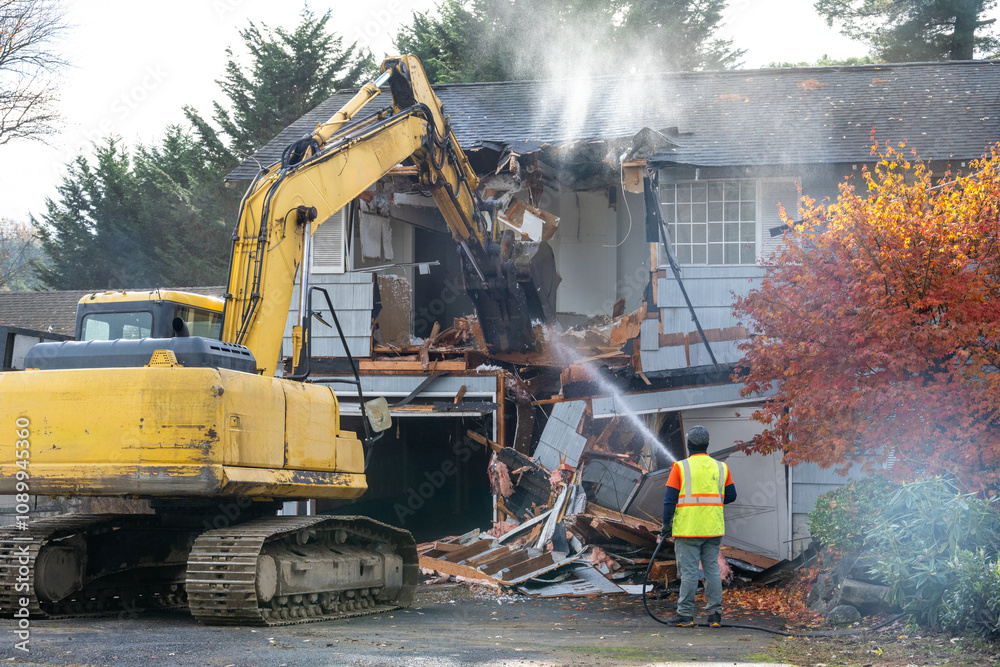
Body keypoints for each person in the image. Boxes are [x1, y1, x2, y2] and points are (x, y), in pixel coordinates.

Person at [660, 425, 737, 627]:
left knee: (689, 572)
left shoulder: (680, 467)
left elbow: (669, 500)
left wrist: (665, 525)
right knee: (711, 569)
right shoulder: (721, 467)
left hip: (688, 529)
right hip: (713, 529)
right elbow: (731, 496)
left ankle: (685, 615)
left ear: (689, 444)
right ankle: (715, 616)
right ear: (707, 444)